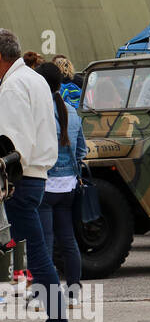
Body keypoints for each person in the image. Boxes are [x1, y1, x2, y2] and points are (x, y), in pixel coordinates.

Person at [0, 30, 72, 322]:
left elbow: (12, 145)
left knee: (37, 257)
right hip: (35, 178)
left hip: (19, 181)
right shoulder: (33, 79)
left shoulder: (13, 87)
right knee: (36, 254)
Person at [36, 63, 84, 300]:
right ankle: (74, 291)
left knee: (44, 242)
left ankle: (44, 294)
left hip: (45, 185)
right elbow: (82, 150)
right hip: (69, 185)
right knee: (68, 240)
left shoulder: (39, 113)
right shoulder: (72, 112)